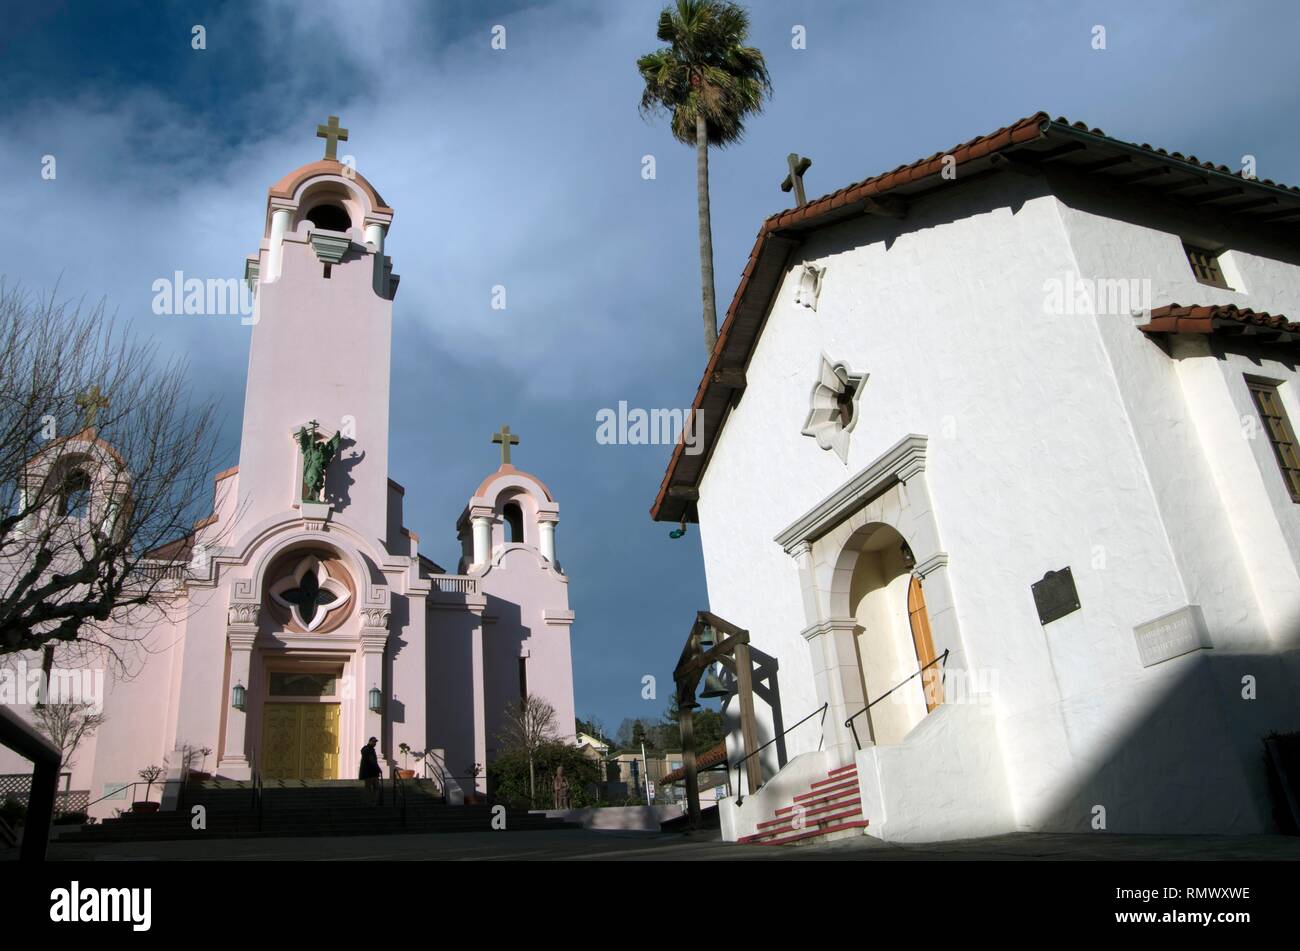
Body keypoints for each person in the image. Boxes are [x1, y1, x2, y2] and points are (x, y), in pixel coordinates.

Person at [360, 736, 383, 805]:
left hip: (373, 772)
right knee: (370, 788)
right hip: (369, 772)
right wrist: (378, 769)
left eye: (375, 742)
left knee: (374, 788)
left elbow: (373, 761)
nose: (375, 743)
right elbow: (372, 761)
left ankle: (372, 801)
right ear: (370, 741)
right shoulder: (367, 749)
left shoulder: (370, 749)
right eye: (373, 741)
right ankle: (370, 802)